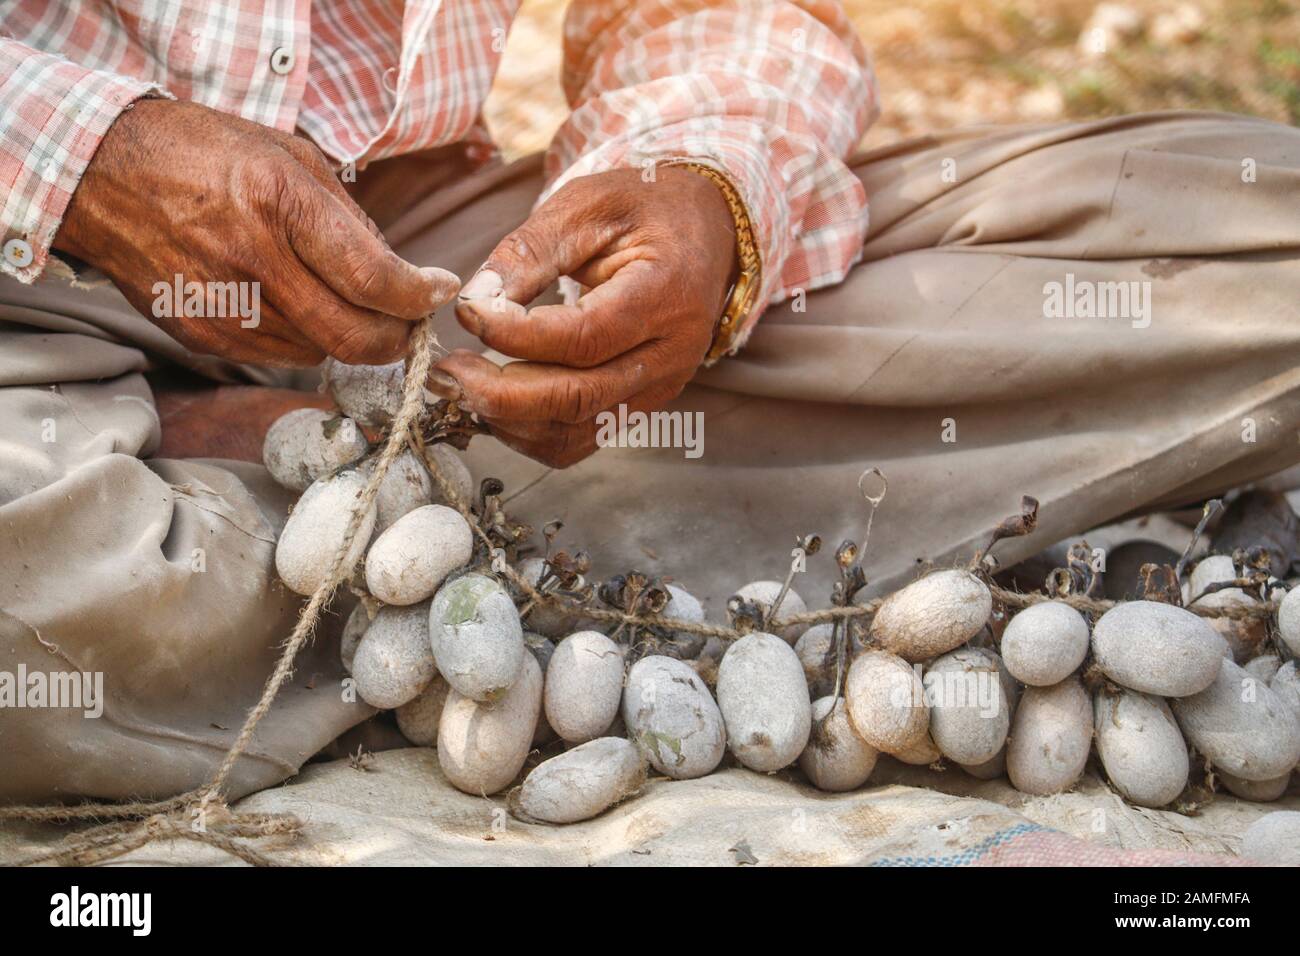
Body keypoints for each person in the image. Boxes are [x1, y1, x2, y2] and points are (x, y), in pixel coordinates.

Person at [1, 1, 1297, 804]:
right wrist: (88, 154)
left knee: (1246, 230)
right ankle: (349, 499)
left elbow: (718, 17)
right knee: (47, 570)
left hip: (406, 265)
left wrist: (701, 188)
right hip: (30, 280)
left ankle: (297, 489)